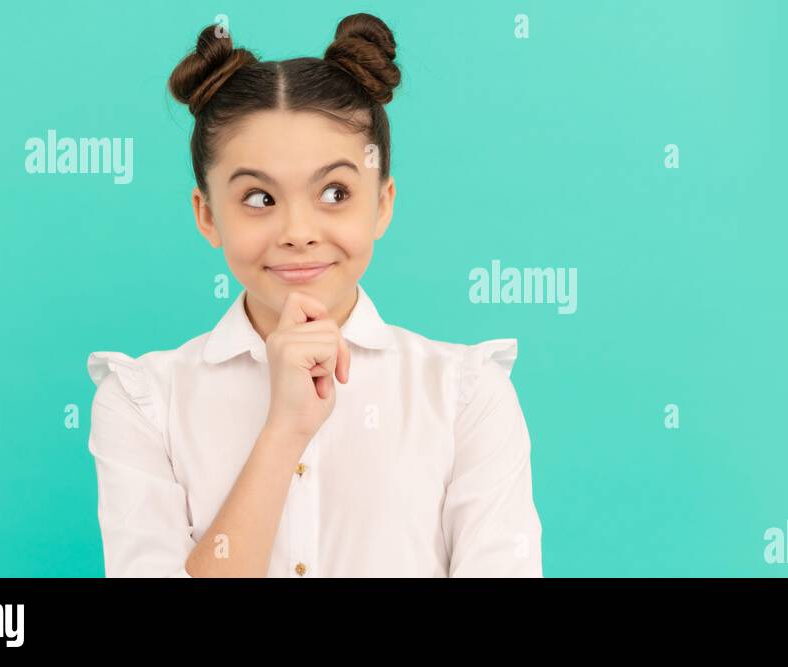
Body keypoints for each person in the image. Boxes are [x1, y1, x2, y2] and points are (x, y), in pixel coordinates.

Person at [85, 13, 542, 577]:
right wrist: (284, 431)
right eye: (258, 198)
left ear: (382, 203)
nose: (298, 231)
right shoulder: (143, 403)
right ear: (208, 215)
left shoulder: (466, 396)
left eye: (334, 191)